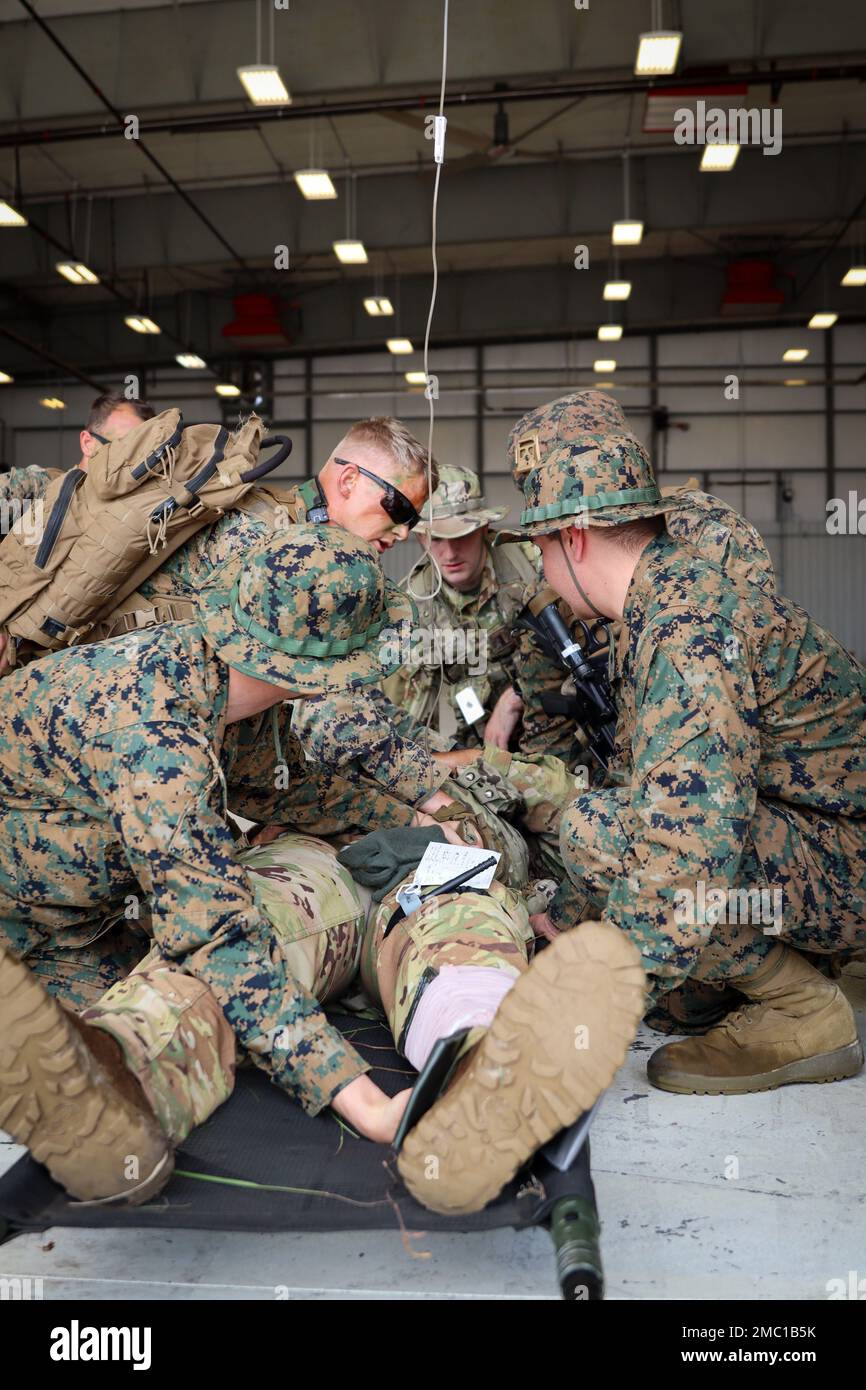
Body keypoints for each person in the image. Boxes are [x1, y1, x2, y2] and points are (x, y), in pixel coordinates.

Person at [0, 526, 428, 1203]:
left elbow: (283, 789)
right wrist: (359, 1098)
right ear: (316, 673)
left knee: (167, 1030)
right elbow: (221, 937)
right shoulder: (158, 742)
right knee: (119, 1068)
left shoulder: (220, 674)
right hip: (24, 933)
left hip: (81, 917)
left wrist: (415, 820)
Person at [498, 390, 866, 1095]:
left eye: (540, 547)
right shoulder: (664, 596)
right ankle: (782, 980)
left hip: (848, 860)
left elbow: (682, 846)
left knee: (597, 830)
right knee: (682, 997)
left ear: (572, 540)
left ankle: (804, 1010)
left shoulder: (682, 625)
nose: (541, 570)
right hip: (822, 840)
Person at [382, 464, 575, 760]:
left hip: (564, 729)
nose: (449, 553)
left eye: (461, 536)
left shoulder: (534, 565)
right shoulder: (413, 608)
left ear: (484, 528)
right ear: (421, 538)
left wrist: (518, 695)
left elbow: (592, 651)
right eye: (436, 538)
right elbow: (405, 722)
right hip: (484, 744)